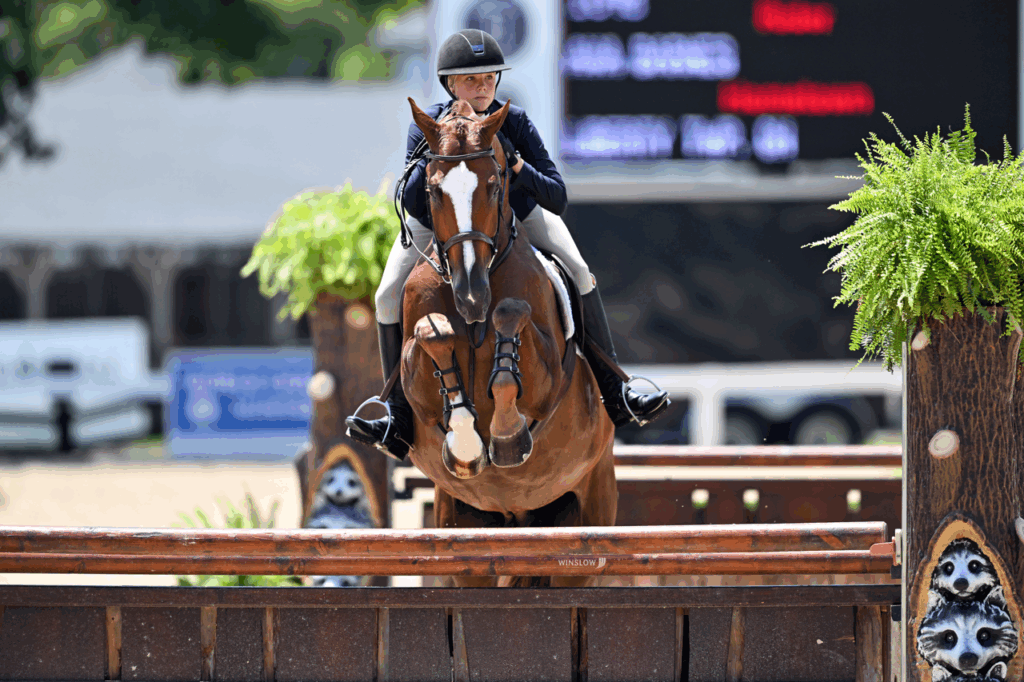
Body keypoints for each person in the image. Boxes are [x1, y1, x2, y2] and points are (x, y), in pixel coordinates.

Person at [346, 28, 669, 460]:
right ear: (450, 84)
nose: (483, 87)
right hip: (443, 225)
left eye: (489, 78)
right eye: (471, 80)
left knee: (577, 270)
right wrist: (438, 150)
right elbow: (409, 199)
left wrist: (514, 162)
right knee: (387, 294)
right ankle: (395, 414)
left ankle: (617, 390)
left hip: (516, 215)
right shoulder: (427, 126)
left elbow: (556, 195)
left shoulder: (513, 122)